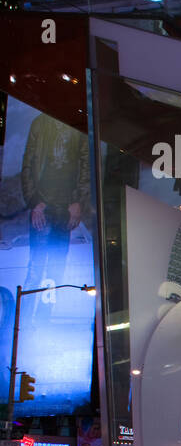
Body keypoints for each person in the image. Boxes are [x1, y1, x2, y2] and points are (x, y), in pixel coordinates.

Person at [20, 112, 90, 318]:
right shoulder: (39, 123)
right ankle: (22, 323)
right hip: (43, 205)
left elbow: (86, 166)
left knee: (56, 270)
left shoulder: (80, 128)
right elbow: (27, 165)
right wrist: (35, 203)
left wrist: (78, 202)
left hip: (65, 207)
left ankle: (43, 320)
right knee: (35, 269)